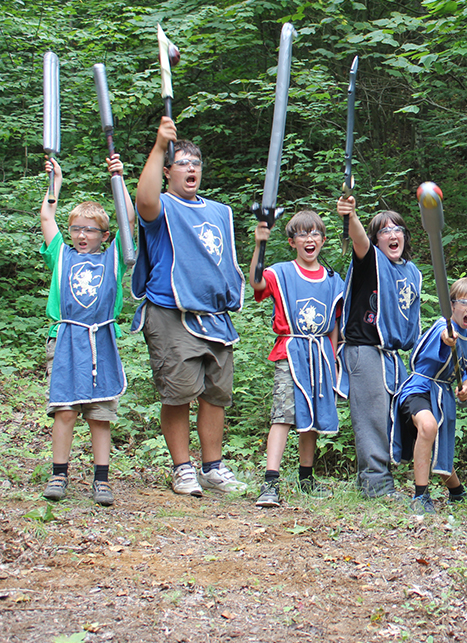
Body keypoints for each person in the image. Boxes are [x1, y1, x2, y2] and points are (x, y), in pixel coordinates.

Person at [132, 118, 247, 496]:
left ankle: (212, 468)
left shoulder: (217, 211)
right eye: (182, 163)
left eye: (196, 163)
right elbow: (144, 200)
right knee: (178, 393)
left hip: (214, 315)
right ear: (167, 172)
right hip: (171, 312)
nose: (191, 168)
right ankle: (183, 468)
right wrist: (159, 144)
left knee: (215, 394)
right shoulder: (161, 206)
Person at [39, 155, 135, 506]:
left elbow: (130, 219)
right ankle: (59, 474)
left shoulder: (112, 259)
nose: (81, 235)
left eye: (89, 229)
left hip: (101, 342)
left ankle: (101, 479)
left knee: (99, 414)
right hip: (65, 339)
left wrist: (119, 178)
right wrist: (55, 182)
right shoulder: (61, 256)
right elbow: (47, 216)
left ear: (104, 235)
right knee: (65, 410)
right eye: (76, 228)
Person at [248, 210, 345, 508]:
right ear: (292, 242)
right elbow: (256, 283)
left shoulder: (333, 280)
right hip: (290, 353)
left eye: (314, 233)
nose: (309, 238)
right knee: (283, 416)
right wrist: (259, 245)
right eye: (302, 234)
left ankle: (306, 478)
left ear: (323, 239)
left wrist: (334, 361)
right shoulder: (281, 272)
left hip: (320, 356)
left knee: (311, 417)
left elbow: (334, 326)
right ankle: (271, 482)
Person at [337, 195, 422, 500]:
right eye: (384, 230)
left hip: (392, 355)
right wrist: (353, 216)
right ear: (376, 239)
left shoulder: (410, 272)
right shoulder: (370, 261)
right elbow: (359, 239)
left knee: (390, 417)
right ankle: (376, 484)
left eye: (397, 228)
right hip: (365, 347)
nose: (392, 234)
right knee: (371, 417)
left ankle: (378, 480)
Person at [392, 278, 467, 514]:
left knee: (441, 446)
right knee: (429, 427)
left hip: (443, 397)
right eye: (464, 302)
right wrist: (447, 340)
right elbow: (441, 340)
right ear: (452, 305)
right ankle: (420, 495)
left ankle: (456, 492)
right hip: (419, 390)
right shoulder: (441, 327)